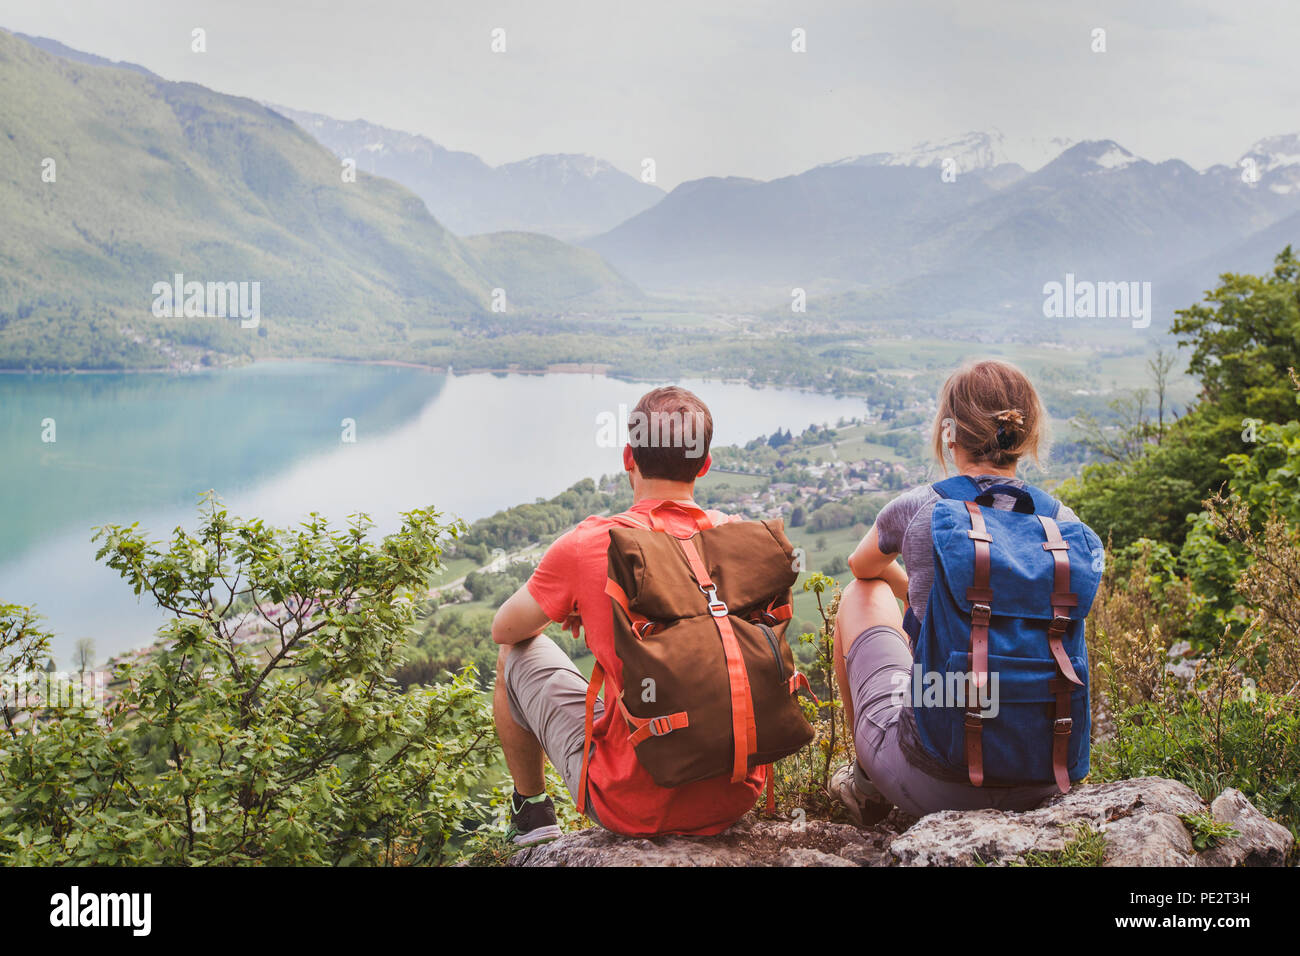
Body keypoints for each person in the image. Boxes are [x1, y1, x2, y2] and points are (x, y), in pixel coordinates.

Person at [491, 386, 765, 844]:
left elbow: (506, 627)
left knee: (512, 655)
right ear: (705, 465)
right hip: (737, 792)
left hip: (634, 804)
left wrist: (581, 601)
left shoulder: (592, 543)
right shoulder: (740, 538)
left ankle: (532, 816)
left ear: (627, 457)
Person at [830, 359, 1080, 823]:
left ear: (950, 434)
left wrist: (922, 599)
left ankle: (867, 788)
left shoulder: (920, 507)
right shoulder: (1063, 525)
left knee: (859, 594)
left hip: (932, 781)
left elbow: (861, 566)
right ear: (1026, 437)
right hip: (1046, 776)